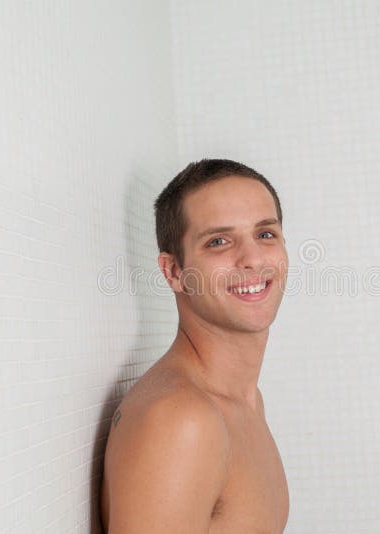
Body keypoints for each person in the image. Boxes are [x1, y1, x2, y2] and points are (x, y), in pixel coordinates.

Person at [100, 159, 290, 533]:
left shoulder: (242, 401)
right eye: (218, 241)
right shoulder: (182, 419)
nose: (252, 259)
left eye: (265, 234)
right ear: (174, 272)